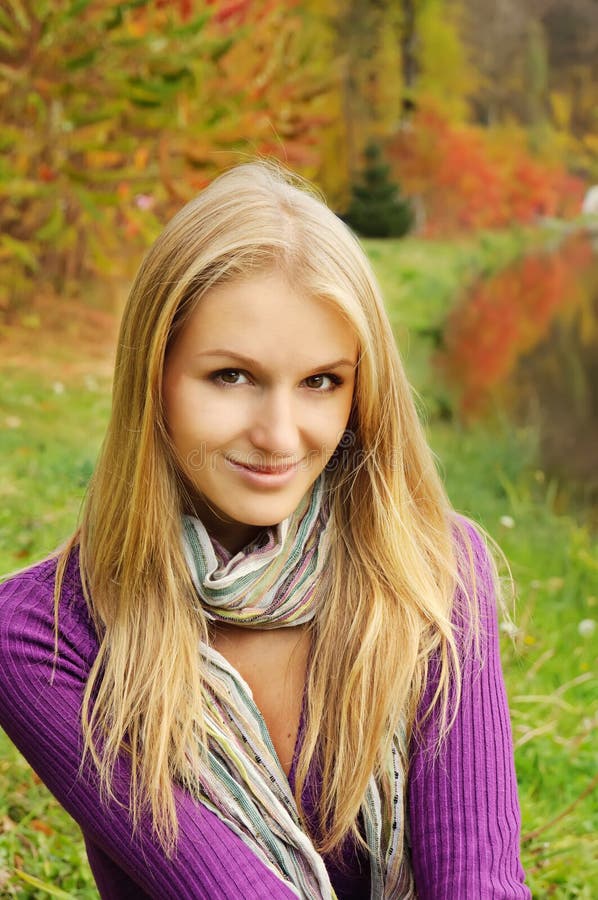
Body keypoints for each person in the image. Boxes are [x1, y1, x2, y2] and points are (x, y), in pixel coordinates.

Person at [0, 161, 530, 898]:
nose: (280, 436)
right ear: (153, 374)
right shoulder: (47, 634)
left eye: (321, 381)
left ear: (360, 390)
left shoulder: (432, 567)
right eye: (232, 376)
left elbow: (479, 880)